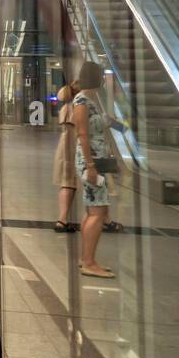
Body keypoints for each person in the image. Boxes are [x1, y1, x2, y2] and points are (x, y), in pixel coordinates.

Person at [73, 60, 115, 278]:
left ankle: (86, 258)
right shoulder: (81, 101)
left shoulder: (91, 99)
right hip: (91, 162)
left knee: (93, 210)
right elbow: (82, 134)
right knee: (98, 212)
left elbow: (105, 124)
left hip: (96, 160)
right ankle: (89, 262)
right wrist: (90, 166)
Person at [53, 83, 78, 232]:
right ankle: (62, 220)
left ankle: (62, 219)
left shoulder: (67, 107)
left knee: (68, 183)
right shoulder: (74, 108)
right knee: (68, 183)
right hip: (71, 150)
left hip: (67, 149)